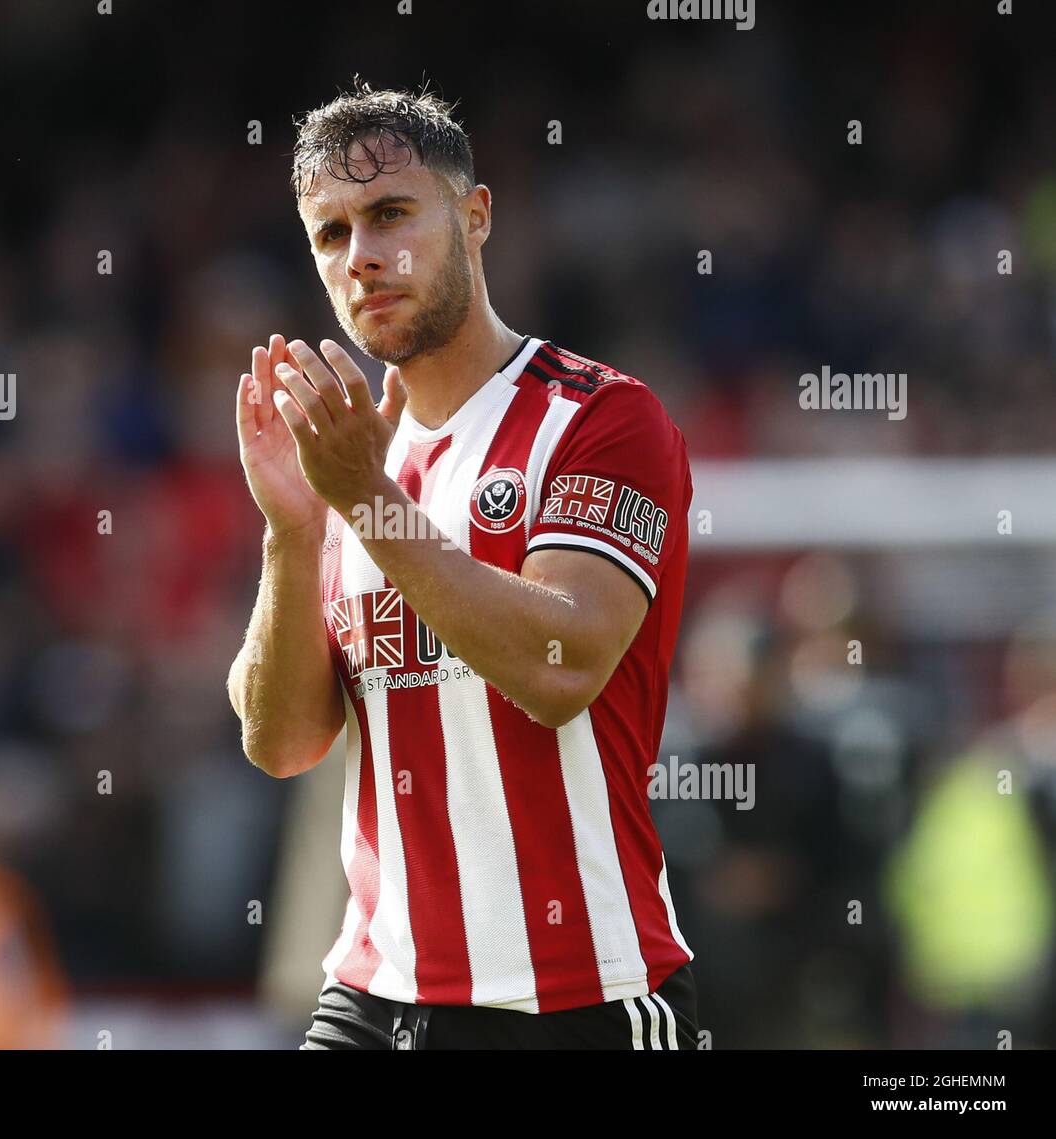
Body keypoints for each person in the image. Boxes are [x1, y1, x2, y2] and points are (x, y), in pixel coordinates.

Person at [228, 79, 697, 1049]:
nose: (363, 256)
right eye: (331, 233)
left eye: (392, 213)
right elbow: (280, 741)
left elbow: (558, 667)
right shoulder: (355, 452)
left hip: (577, 1000)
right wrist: (292, 531)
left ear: (474, 216)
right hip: (370, 994)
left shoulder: (602, 419)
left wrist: (361, 499)